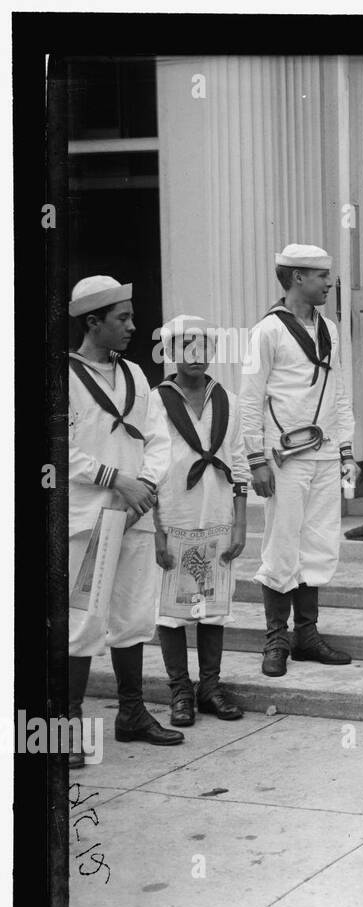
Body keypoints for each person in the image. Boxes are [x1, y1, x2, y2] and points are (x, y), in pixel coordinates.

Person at [67, 275, 182, 767]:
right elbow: (55, 450)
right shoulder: (62, 375)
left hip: (133, 515)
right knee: (82, 622)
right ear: (93, 323)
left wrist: (146, 487)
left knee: (134, 616)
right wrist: (116, 479)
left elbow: (159, 440)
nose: (134, 326)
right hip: (88, 520)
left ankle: (131, 714)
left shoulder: (136, 374)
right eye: (123, 319)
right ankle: (68, 728)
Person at [239, 244, 359, 677]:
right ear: (295, 279)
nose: (329, 283)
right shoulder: (266, 331)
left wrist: (347, 451)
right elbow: (250, 401)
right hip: (284, 458)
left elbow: (340, 393)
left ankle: (307, 636)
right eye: (321, 276)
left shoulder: (330, 328)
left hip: (326, 455)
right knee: (282, 544)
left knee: (319, 543)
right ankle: (276, 639)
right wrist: (255, 460)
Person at [150, 315, 250, 726]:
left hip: (217, 514)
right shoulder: (156, 400)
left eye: (203, 346)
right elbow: (150, 464)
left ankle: (210, 686)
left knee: (212, 605)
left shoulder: (226, 397)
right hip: (174, 513)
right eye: (186, 346)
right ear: (171, 352)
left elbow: (239, 461)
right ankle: (179, 689)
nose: (196, 355)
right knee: (171, 608)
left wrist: (240, 522)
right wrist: (156, 528)